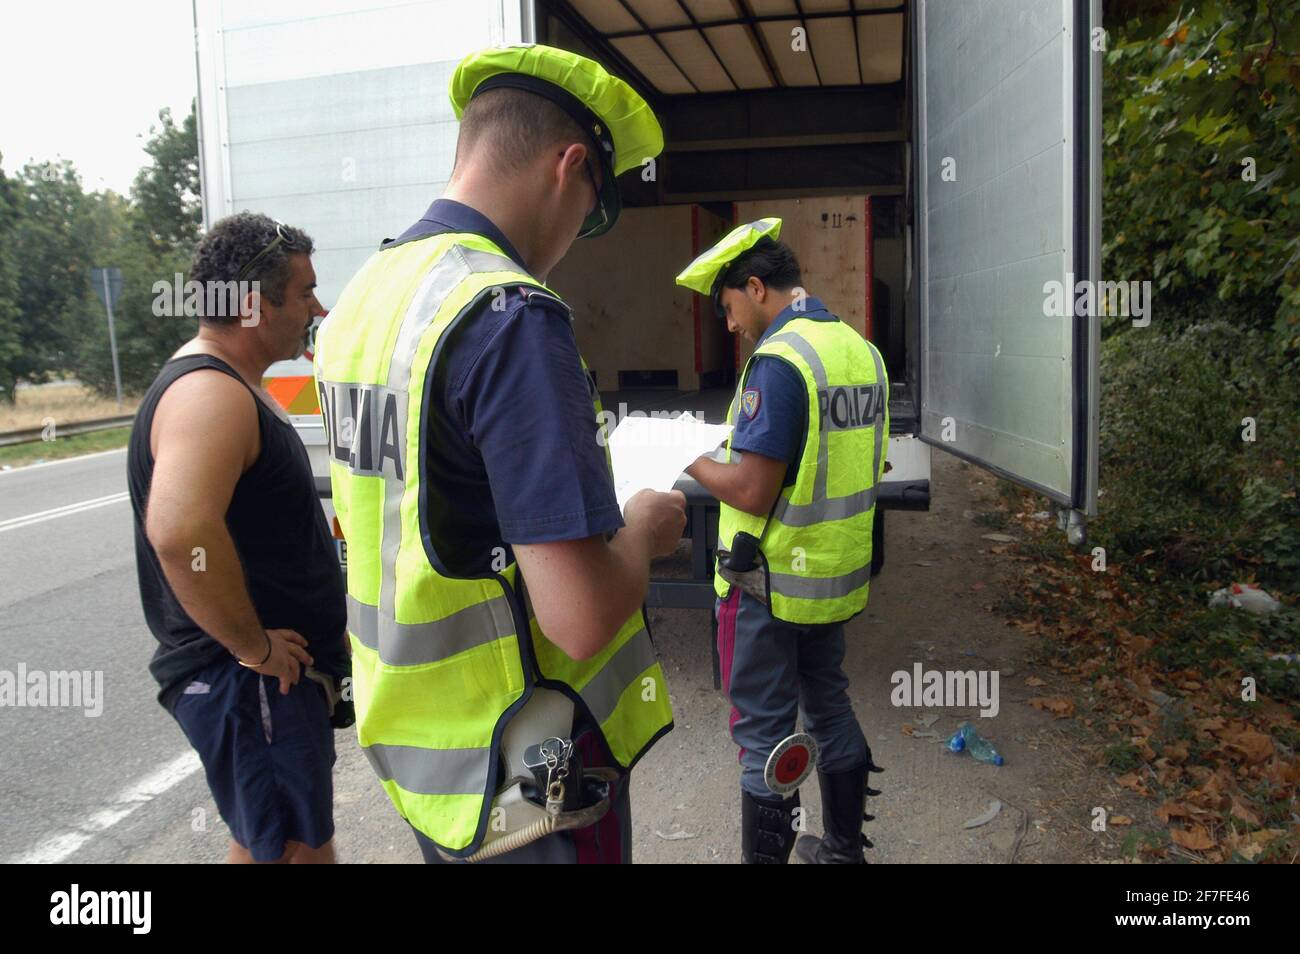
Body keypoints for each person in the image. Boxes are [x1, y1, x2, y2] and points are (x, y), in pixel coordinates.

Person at [313, 44, 685, 864]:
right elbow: (581, 618)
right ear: (571, 165)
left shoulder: (359, 303)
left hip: (427, 762)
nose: (579, 236)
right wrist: (646, 530)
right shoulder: (511, 316)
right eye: (593, 210)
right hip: (530, 776)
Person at [127, 212, 350, 864]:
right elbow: (179, 534)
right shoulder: (210, 395)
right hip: (251, 686)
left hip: (259, 688)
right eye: (305, 291)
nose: (318, 306)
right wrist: (253, 649)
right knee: (295, 852)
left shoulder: (227, 381)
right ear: (254, 305)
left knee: (266, 845)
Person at [676, 218, 889, 864]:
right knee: (828, 703)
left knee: (765, 737)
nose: (731, 325)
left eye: (729, 307)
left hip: (765, 583)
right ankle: (844, 850)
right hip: (832, 578)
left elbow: (749, 491)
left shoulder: (779, 363)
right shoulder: (858, 350)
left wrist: (686, 453)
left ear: (758, 287)